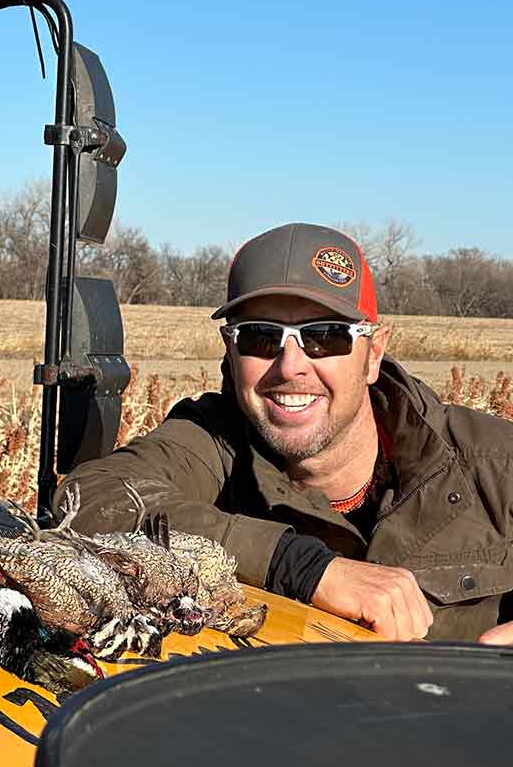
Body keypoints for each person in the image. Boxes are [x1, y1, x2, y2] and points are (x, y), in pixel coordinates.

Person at [58, 222, 513, 643]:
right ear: (231, 351)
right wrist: (300, 567)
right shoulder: (212, 441)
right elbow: (89, 499)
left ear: (373, 353)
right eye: (260, 337)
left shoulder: (494, 466)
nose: (291, 366)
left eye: (326, 336)